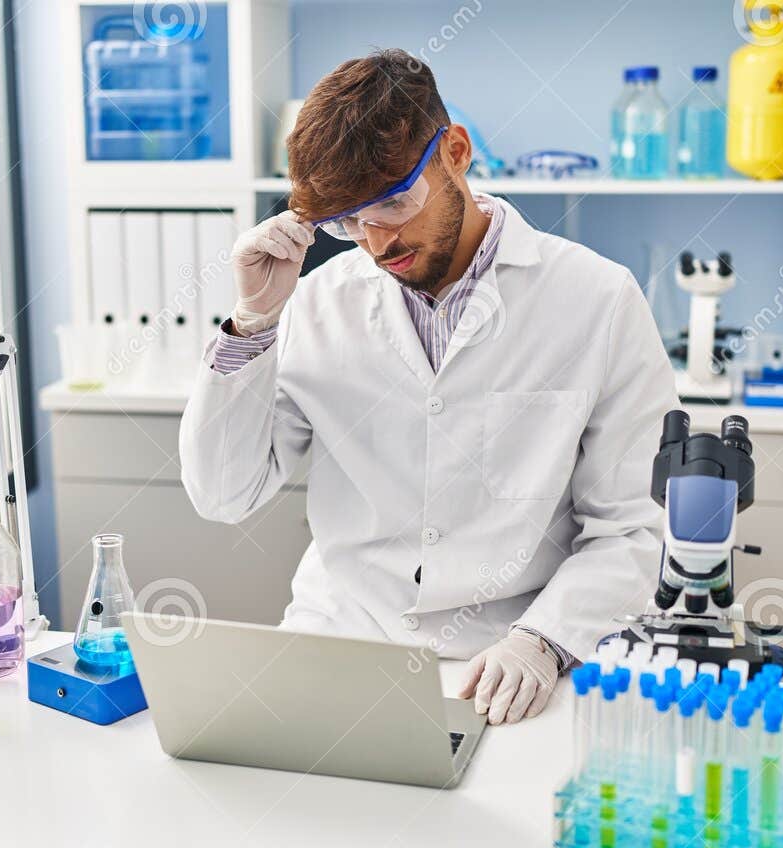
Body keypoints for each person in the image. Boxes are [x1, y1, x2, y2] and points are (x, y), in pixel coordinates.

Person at [179, 50, 677, 725]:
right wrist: (252, 324)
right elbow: (224, 493)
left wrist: (543, 641)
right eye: (348, 222)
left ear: (456, 152)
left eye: (392, 202)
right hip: (339, 641)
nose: (376, 242)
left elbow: (632, 527)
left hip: (509, 664)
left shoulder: (597, 300)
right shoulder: (315, 303)